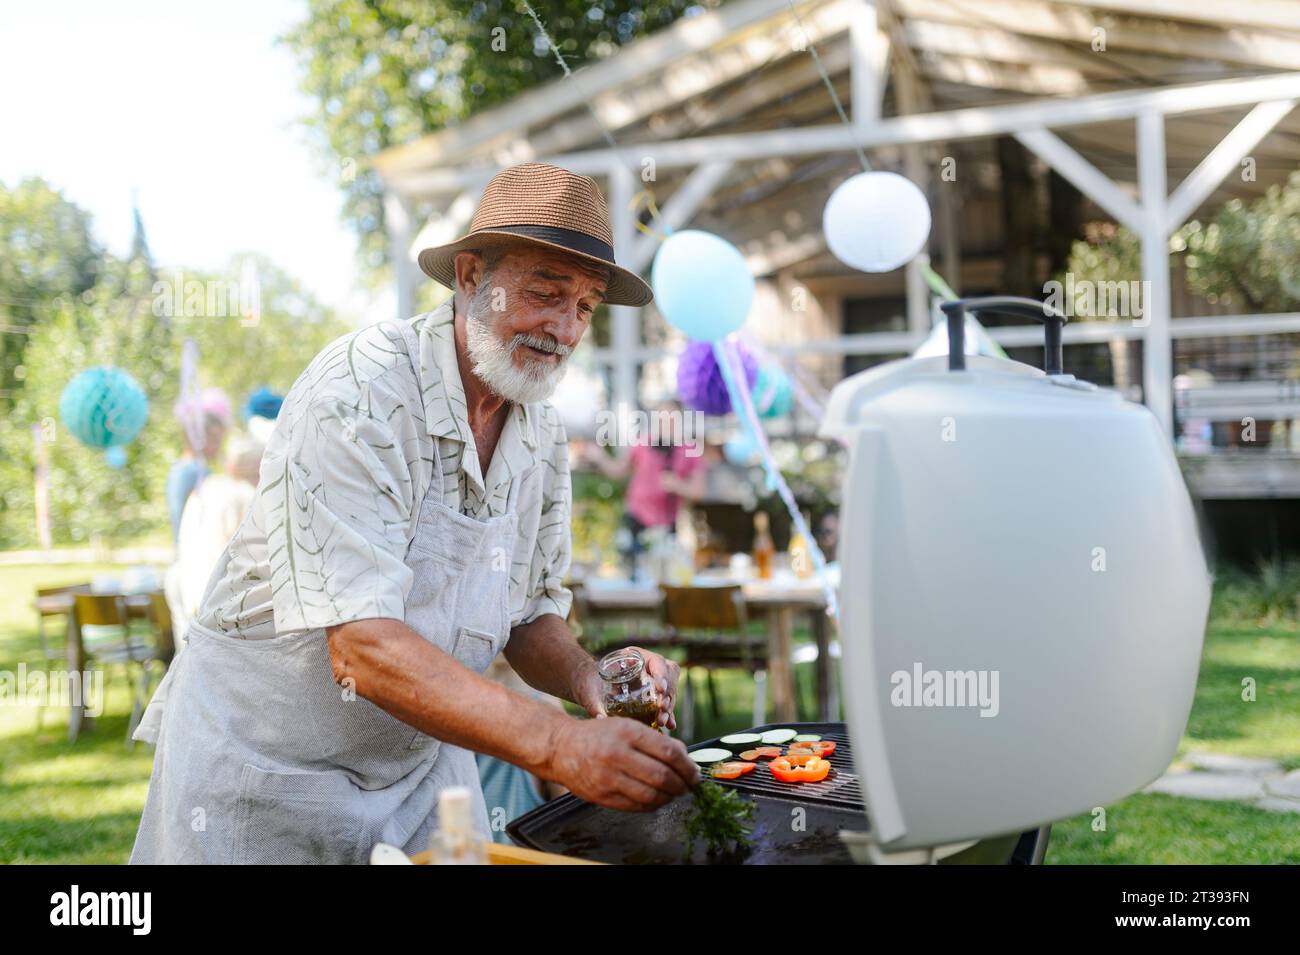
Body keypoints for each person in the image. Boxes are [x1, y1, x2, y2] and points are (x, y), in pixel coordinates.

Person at [130, 162, 698, 864]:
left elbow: (527, 617)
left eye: (584, 306)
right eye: (545, 293)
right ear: (468, 278)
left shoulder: (542, 431)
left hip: (419, 775)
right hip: (267, 768)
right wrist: (558, 742)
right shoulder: (361, 393)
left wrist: (594, 681)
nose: (563, 327)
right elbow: (361, 646)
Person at [584, 400, 706, 577]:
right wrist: (599, 457)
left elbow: (698, 492)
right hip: (637, 520)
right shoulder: (643, 443)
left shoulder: (690, 450)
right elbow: (618, 471)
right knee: (633, 574)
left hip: (666, 527)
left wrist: (677, 485)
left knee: (665, 574)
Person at [165, 388, 232, 543]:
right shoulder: (191, 471)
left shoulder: (186, 468)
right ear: (200, 436)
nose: (219, 445)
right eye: (216, 439)